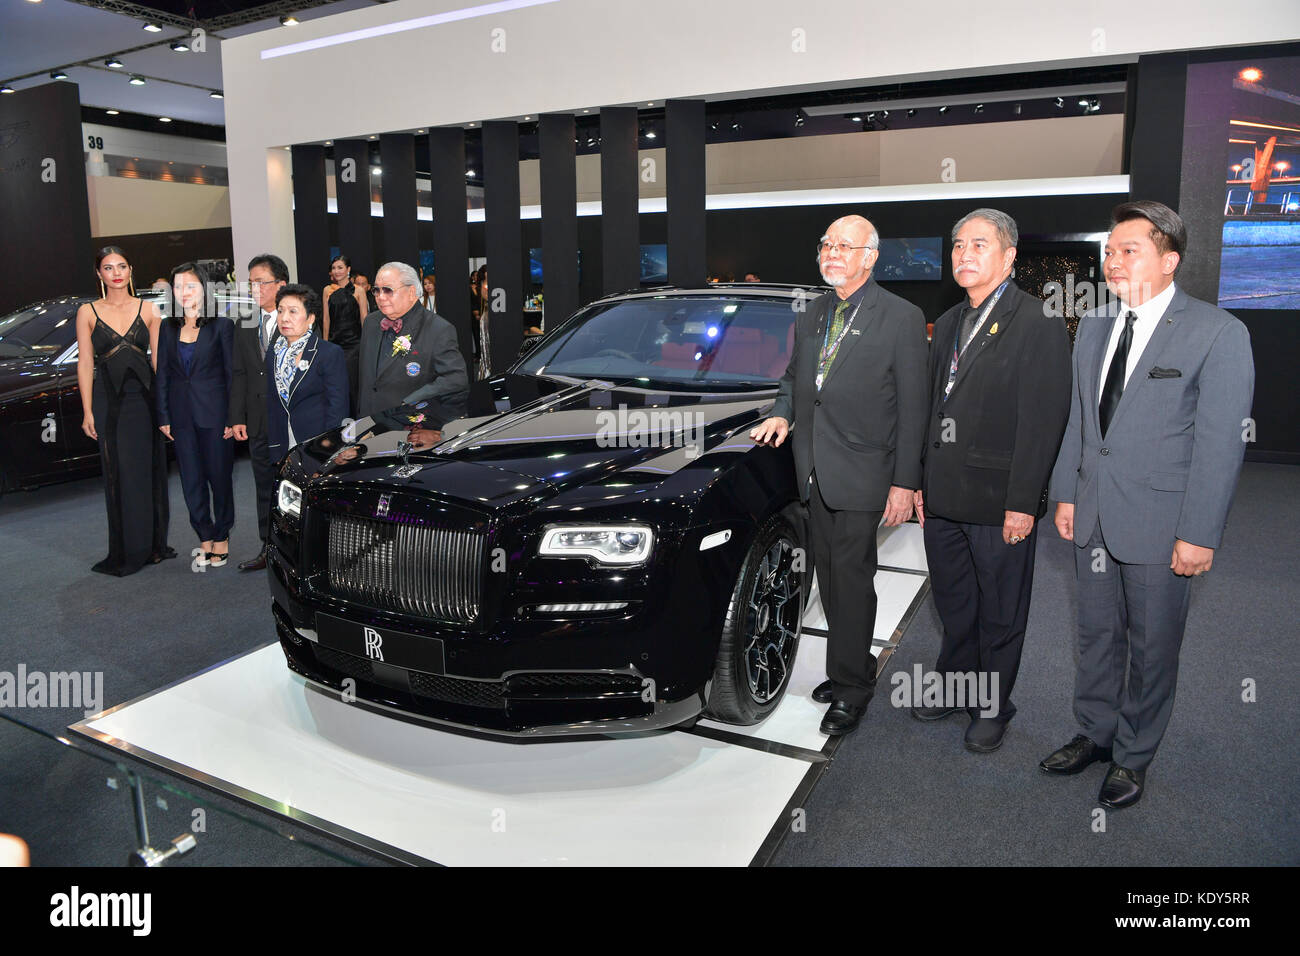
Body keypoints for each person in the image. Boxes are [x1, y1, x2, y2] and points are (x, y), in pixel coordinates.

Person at [1043, 200, 1254, 809]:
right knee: (1096, 634)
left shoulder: (1218, 333)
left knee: (1153, 644)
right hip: (1093, 512)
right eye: (1109, 251)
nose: (1112, 261)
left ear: (1169, 260)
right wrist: (1064, 493)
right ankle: (1095, 733)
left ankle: (1134, 755)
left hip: (1164, 525)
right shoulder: (1094, 324)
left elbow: (1219, 446)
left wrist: (1200, 533)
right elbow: (1080, 423)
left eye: (1128, 250)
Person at [750, 215, 928, 736]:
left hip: (866, 475)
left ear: (870, 257)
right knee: (827, 579)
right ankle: (846, 667)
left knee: (851, 581)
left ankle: (853, 688)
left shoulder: (901, 316)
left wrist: (904, 482)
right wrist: (783, 410)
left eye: (844, 246)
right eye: (827, 245)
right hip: (813, 473)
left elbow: (914, 409)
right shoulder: (813, 314)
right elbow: (794, 379)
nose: (831, 253)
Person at [910, 209, 1071, 752]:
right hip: (945, 497)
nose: (964, 254)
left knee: (1001, 610)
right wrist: (920, 483)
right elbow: (934, 408)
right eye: (957, 245)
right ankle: (956, 685)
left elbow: (1043, 422)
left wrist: (1024, 502)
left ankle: (993, 705)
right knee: (955, 604)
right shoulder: (951, 319)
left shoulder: (1038, 322)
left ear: (1009, 257)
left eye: (979, 244)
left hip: (1001, 499)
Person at [77, 247, 174, 575]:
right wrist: (87, 410)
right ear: (99, 274)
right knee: (117, 472)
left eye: (121, 266)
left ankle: (153, 545)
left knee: (149, 470)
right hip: (109, 403)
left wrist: (166, 407)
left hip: (145, 401)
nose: (116, 272)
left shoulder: (148, 309)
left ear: (130, 270)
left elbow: (160, 361)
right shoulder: (87, 312)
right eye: (108, 267)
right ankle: (126, 548)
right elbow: (86, 361)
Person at [156, 261, 235, 568]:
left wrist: (232, 417)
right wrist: (163, 415)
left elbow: (231, 376)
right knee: (191, 480)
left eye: (190, 285)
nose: (183, 292)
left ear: (204, 287)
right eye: (177, 287)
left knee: (219, 477)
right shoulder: (167, 326)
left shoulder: (222, 325)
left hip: (215, 417)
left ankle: (222, 535)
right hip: (181, 417)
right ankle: (204, 536)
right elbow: (162, 373)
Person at [228, 253, 287, 572]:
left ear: (281, 284)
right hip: (257, 418)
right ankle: (268, 548)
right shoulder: (244, 321)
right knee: (264, 485)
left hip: (290, 421)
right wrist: (237, 417)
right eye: (251, 282)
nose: (254, 288)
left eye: (261, 282)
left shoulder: (298, 317)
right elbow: (238, 372)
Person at [356, 261, 469, 425]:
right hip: (368, 423)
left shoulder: (438, 329)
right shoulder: (371, 322)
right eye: (377, 290)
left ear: (411, 292)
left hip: (410, 426)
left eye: (388, 290)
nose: (380, 297)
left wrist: (411, 401)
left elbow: (456, 379)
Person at [265, 285, 349, 461]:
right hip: (283, 440)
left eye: (293, 312)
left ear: (310, 318)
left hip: (318, 442)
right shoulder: (273, 352)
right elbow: (272, 403)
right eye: (280, 311)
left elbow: (337, 405)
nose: (284, 318)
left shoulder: (328, 353)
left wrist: (331, 445)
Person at [322, 254, 364, 409]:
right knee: (335, 383)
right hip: (334, 343)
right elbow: (326, 319)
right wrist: (325, 345)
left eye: (340, 267)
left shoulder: (359, 291)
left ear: (348, 269)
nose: (336, 271)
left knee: (352, 383)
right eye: (333, 268)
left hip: (354, 344)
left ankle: (355, 418)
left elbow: (364, 319)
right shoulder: (327, 290)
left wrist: (366, 345)